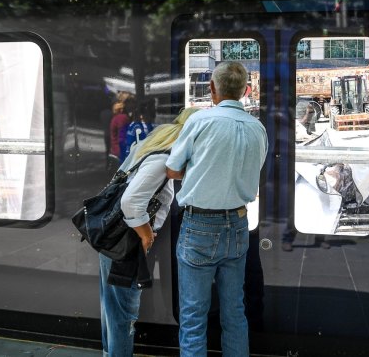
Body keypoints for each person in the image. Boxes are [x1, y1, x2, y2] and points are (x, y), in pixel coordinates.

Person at [166, 61, 267, 357]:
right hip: (238, 225)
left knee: (194, 316)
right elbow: (252, 170)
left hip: (199, 226)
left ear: (212, 89)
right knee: (235, 311)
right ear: (245, 91)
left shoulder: (199, 122)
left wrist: (200, 172)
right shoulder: (257, 128)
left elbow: (172, 170)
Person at [99, 107, 199, 357]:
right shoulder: (164, 156)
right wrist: (146, 234)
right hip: (127, 241)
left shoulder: (154, 142)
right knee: (124, 314)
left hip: (114, 237)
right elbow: (131, 202)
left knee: (111, 309)